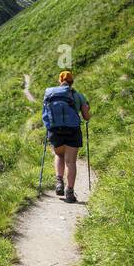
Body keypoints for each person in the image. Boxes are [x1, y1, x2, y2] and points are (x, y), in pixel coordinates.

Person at [42, 70, 90, 203]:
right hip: (72, 131)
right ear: (72, 82)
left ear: (59, 81)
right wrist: (86, 109)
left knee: (59, 155)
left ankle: (59, 182)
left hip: (55, 131)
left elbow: (45, 114)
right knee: (71, 162)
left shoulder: (51, 94)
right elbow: (86, 117)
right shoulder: (78, 96)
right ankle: (69, 192)